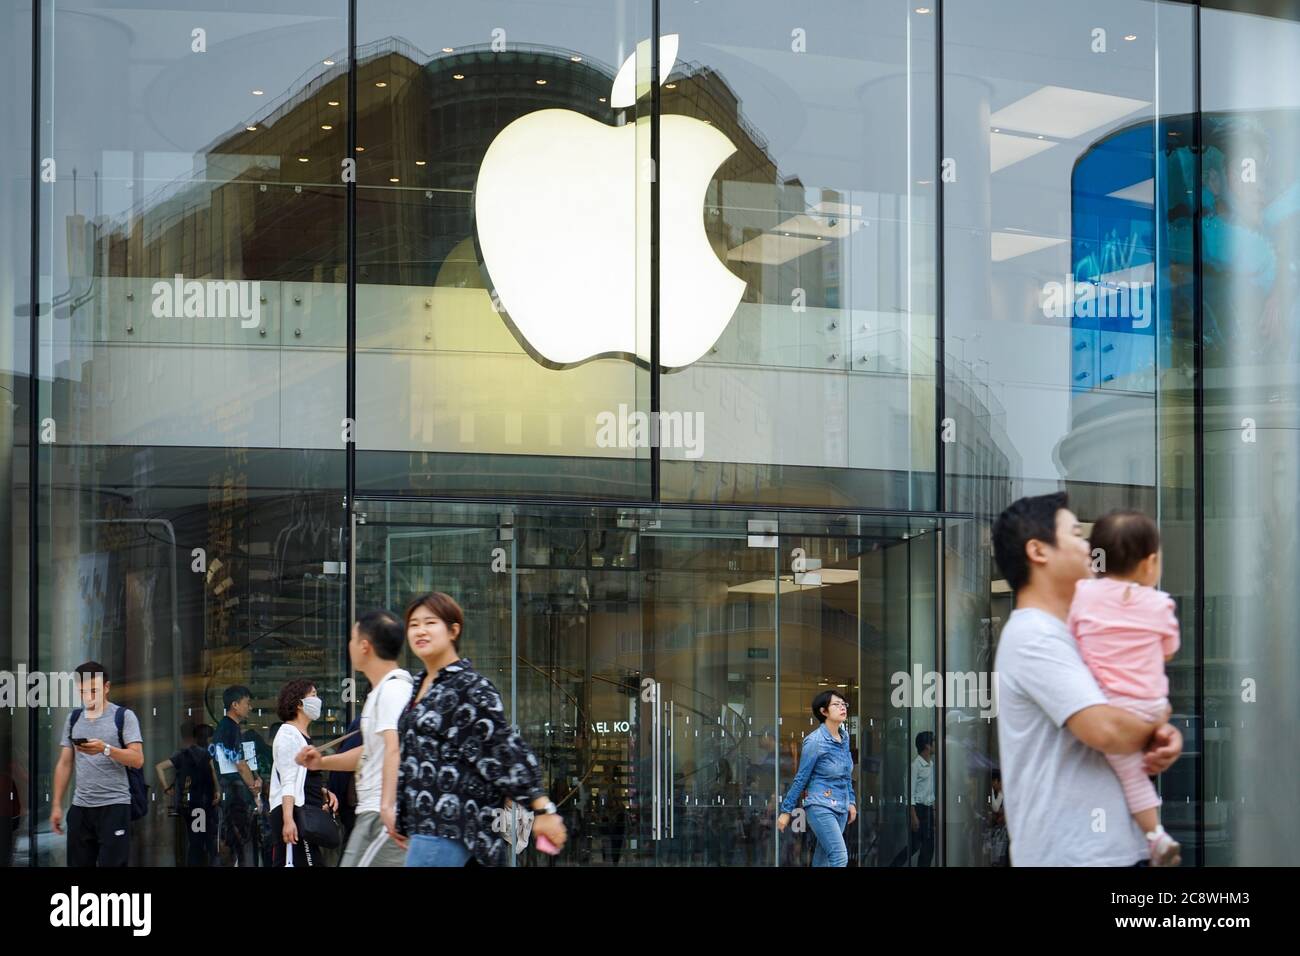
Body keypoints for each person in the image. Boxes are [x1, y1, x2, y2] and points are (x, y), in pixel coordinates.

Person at [991, 492, 1182, 866]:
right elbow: (1106, 730)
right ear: (1038, 551)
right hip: (1071, 856)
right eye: (1076, 534)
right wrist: (1156, 723)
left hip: (1104, 852)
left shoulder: (1072, 634)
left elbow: (1120, 716)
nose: (1088, 546)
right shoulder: (1034, 637)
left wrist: (1161, 735)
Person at [394, 591, 567, 866]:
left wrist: (542, 807)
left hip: (451, 824)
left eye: (430, 623)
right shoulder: (421, 686)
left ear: (453, 630)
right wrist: (403, 816)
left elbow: (502, 748)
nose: (420, 631)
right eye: (413, 624)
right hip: (428, 827)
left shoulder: (468, 687)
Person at [1068, 510, 1183, 866]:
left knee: (1134, 776)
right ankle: (1153, 836)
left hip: (1109, 706)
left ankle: (1156, 836)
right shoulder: (1160, 604)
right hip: (1151, 705)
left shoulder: (1083, 595)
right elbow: (1169, 649)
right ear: (1149, 563)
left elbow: (1074, 635)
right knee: (1138, 770)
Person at [297, 609, 412, 867]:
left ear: (364, 646)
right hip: (375, 812)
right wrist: (322, 762)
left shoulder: (394, 690)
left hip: (383, 815)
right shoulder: (380, 694)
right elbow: (369, 753)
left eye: (351, 639)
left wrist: (387, 805)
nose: (348, 646)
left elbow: (395, 750)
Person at [50, 661, 145, 866]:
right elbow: (65, 763)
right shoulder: (73, 718)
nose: (88, 696)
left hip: (115, 805)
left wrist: (105, 748)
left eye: (93, 690)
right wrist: (57, 804)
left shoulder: (124, 717)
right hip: (80, 808)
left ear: (106, 687)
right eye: (83, 691)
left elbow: (137, 759)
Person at [776, 691, 856, 867]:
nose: (842, 707)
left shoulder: (844, 738)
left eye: (844, 704)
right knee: (839, 857)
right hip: (820, 805)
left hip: (841, 806)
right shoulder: (815, 741)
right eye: (836, 704)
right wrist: (786, 811)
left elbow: (846, 775)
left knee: (824, 858)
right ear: (823, 711)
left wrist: (852, 802)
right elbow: (801, 777)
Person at [269, 679, 337, 867]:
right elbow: (288, 781)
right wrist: (288, 820)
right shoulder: (288, 735)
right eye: (313, 695)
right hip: (294, 816)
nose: (318, 700)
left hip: (302, 814)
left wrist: (323, 792)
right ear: (299, 704)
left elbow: (302, 777)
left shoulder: (300, 735)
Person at [211, 685, 262, 866]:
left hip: (232, 794)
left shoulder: (227, 728)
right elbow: (239, 764)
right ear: (235, 704)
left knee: (238, 844)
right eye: (247, 703)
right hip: (235, 796)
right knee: (238, 843)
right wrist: (254, 790)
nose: (250, 707)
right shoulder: (229, 728)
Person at [155, 723, 219, 866]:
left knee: (193, 840)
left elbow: (159, 767)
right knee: (200, 842)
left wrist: (167, 788)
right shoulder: (205, 754)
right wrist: (217, 791)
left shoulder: (181, 754)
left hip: (185, 804)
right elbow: (213, 773)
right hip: (201, 804)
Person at [890, 730, 935, 867]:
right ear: (927, 746)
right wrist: (913, 814)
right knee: (915, 845)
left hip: (927, 809)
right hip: (917, 809)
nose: (936, 745)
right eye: (934, 742)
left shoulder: (932, 764)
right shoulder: (915, 766)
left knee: (929, 847)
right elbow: (909, 792)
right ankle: (894, 865)